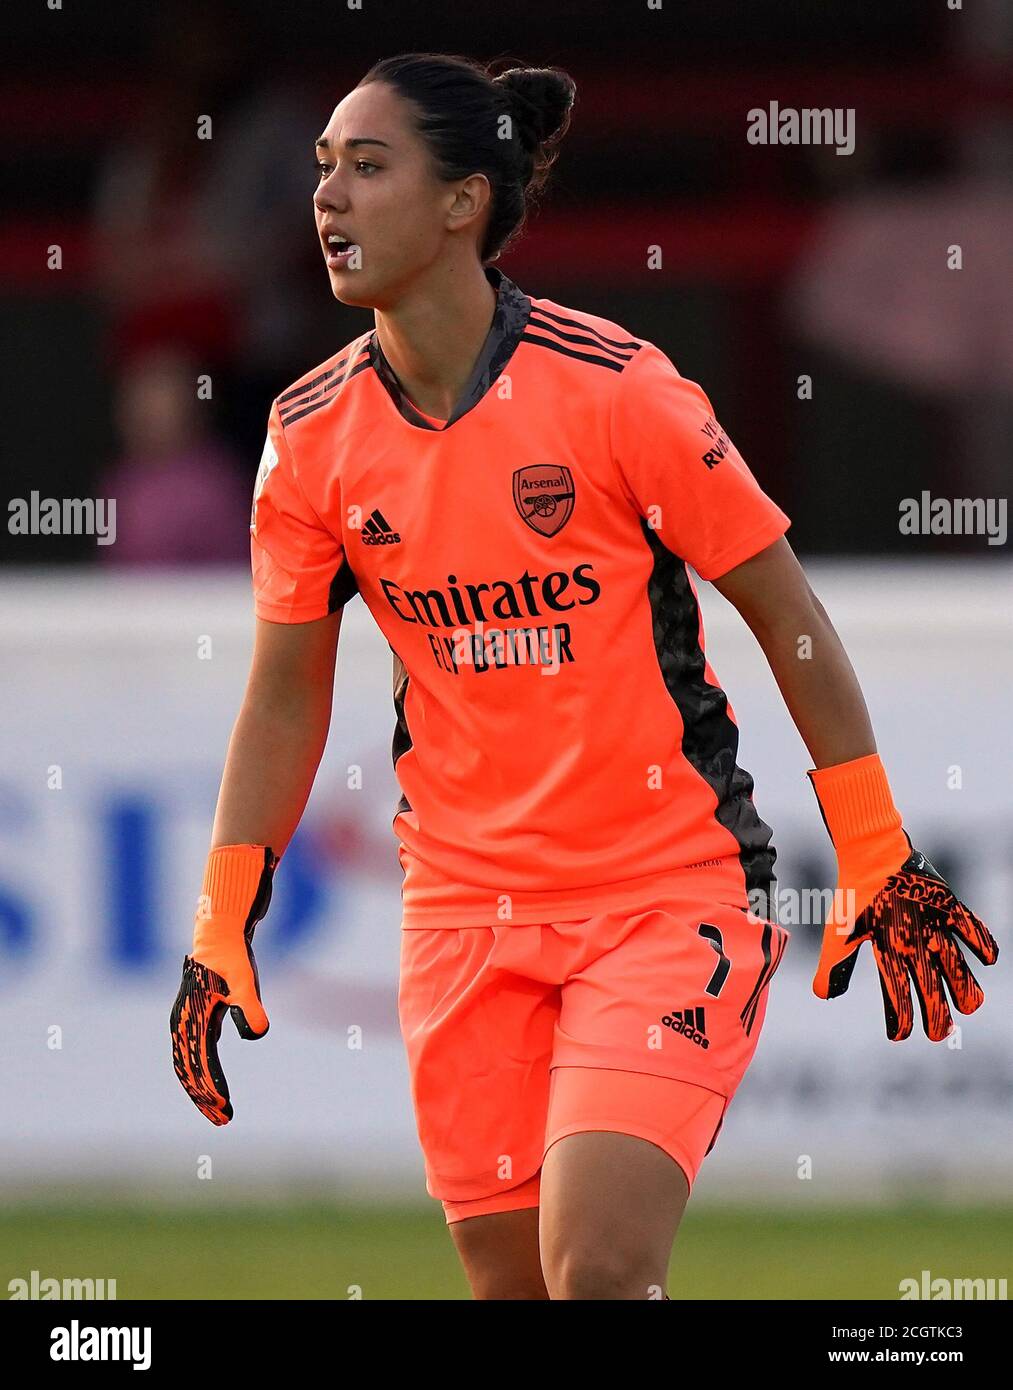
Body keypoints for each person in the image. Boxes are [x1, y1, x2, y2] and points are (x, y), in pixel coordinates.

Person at [169, 53, 998, 1300]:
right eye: (324, 168)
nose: (326, 196)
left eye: (367, 167)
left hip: (663, 893)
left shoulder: (616, 390)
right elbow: (285, 694)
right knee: (517, 1289)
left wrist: (872, 844)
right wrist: (222, 910)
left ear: (464, 202)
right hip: (460, 913)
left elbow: (788, 617)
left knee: (597, 1268)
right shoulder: (308, 435)